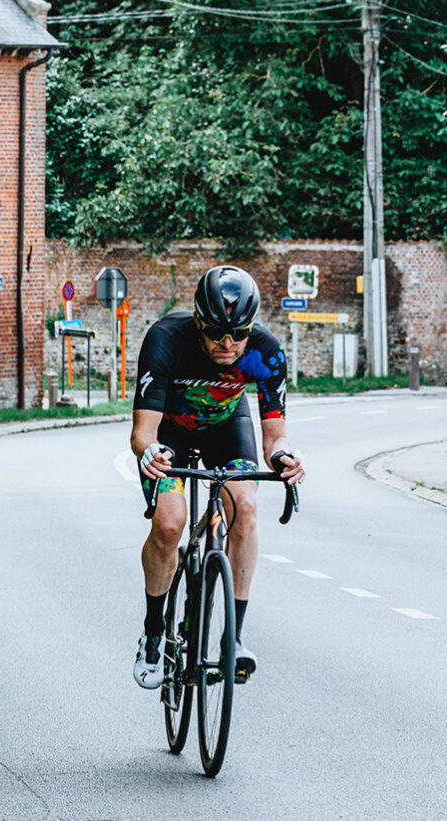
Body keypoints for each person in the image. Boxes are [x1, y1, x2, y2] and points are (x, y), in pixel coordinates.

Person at [129, 264, 304, 690]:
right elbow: (142, 433)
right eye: (216, 333)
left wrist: (285, 457)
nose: (228, 343)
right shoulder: (166, 339)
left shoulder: (266, 351)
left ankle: (233, 639)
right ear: (198, 321)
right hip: (169, 434)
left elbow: (274, 436)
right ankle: (153, 632)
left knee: (245, 508)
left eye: (238, 333)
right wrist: (149, 452)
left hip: (227, 429)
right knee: (170, 523)